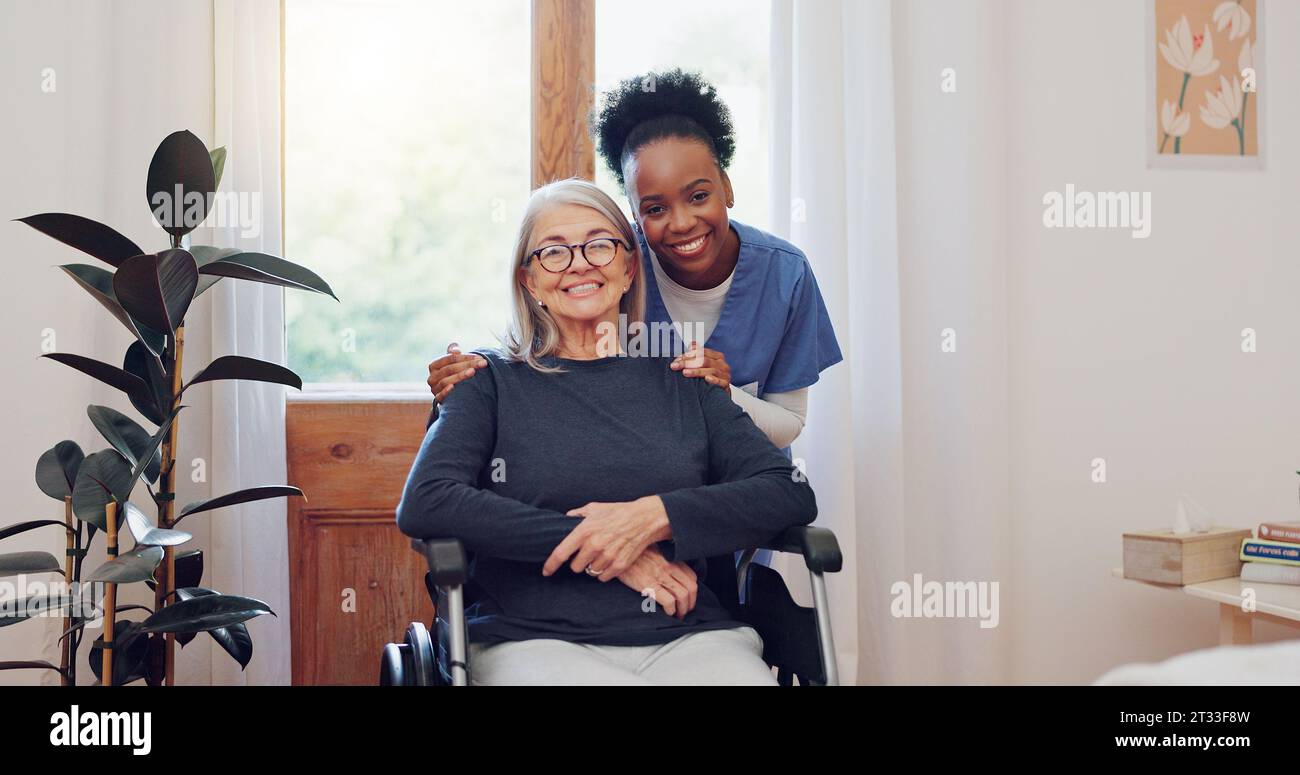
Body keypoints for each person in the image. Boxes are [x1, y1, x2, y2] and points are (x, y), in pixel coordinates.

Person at [395, 178, 817, 685]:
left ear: (627, 266)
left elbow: (787, 494)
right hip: (533, 638)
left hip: (689, 636)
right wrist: (607, 548)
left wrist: (653, 517)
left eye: (599, 245)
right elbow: (429, 501)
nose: (579, 263)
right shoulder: (485, 382)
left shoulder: (686, 380)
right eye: (553, 252)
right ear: (529, 281)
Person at [426, 70, 841, 568]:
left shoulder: (784, 275)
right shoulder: (605, 261)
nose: (682, 222)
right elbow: (547, 351)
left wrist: (718, 397)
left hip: (721, 506)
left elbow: (790, 431)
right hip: (584, 558)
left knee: (729, 616)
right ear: (634, 216)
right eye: (655, 207)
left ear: (727, 187)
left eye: (698, 195)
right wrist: (478, 372)